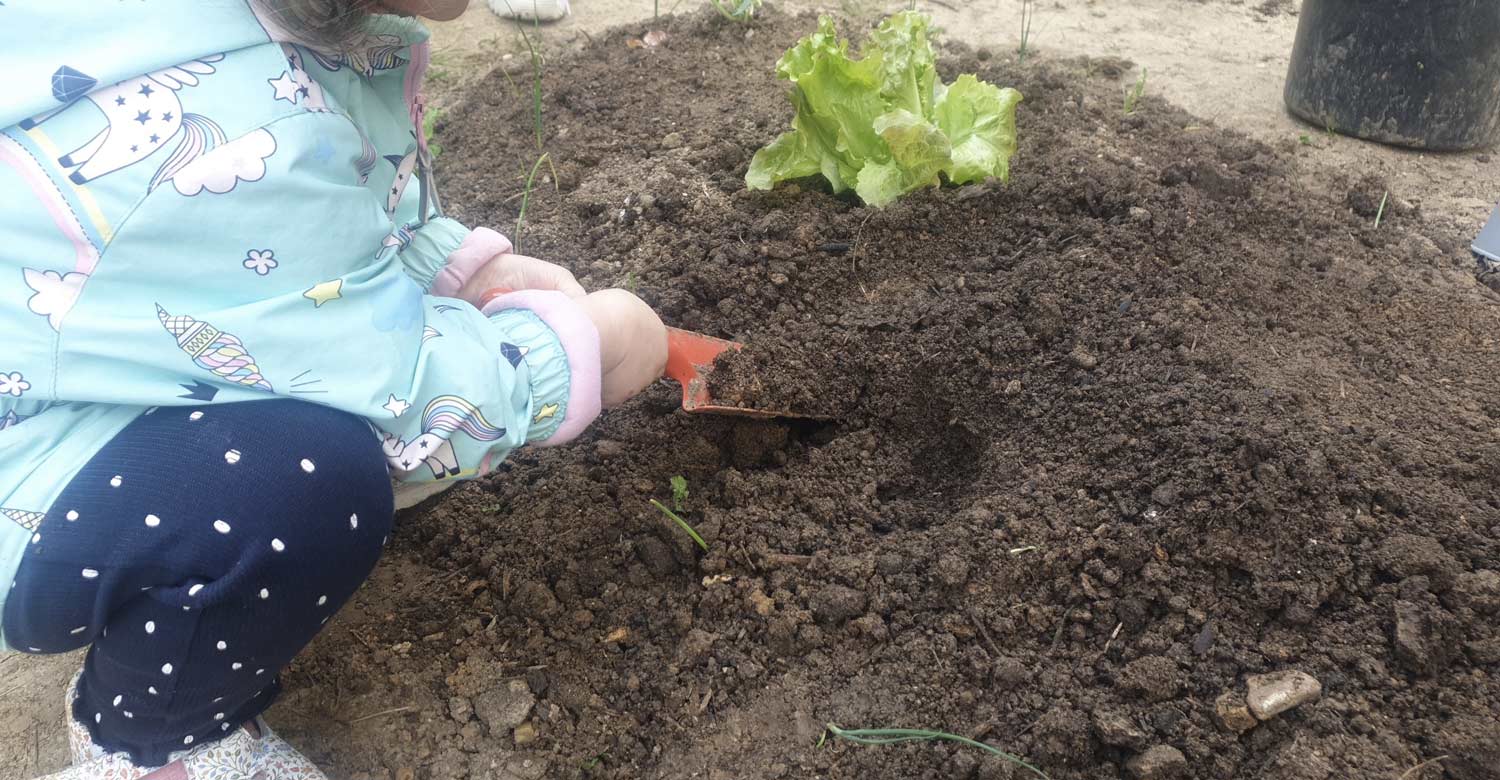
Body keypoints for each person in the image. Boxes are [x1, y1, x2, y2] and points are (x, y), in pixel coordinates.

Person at [0, 1, 666, 777]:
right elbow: (400, 395)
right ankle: (148, 738)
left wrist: (459, 267)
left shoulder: (246, 27)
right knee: (306, 479)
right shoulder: (235, 127)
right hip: (26, 460)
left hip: (76, 359)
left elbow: (343, 211)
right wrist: (586, 347)